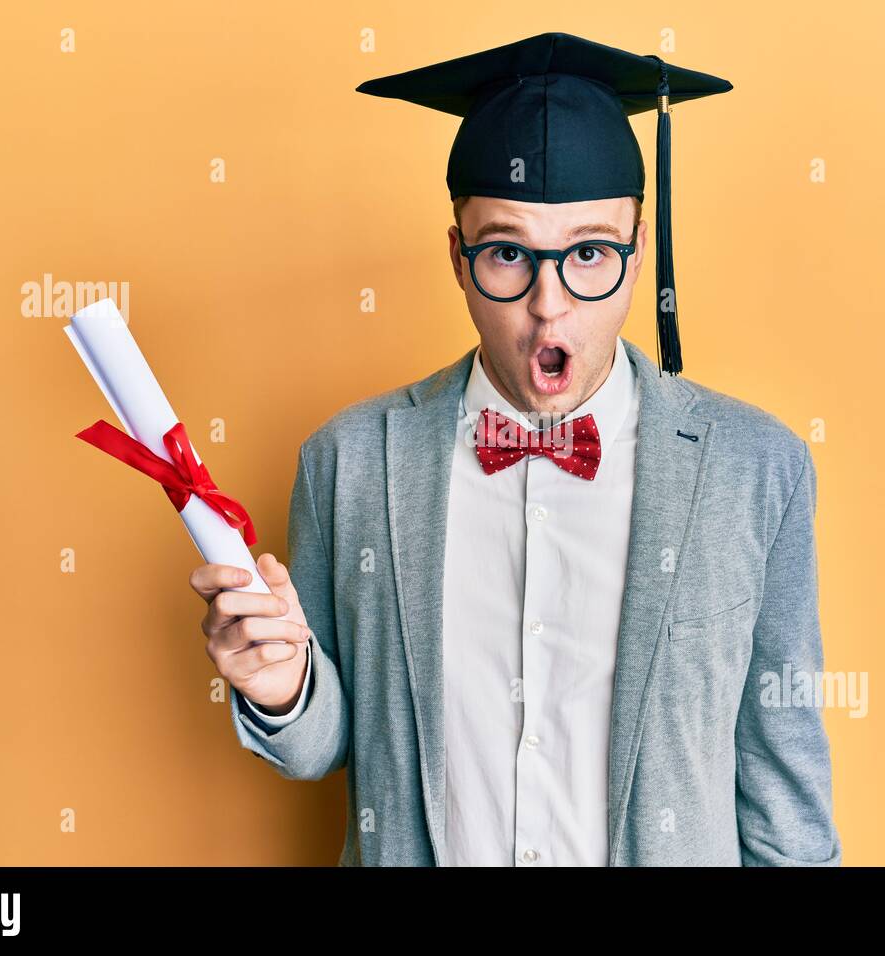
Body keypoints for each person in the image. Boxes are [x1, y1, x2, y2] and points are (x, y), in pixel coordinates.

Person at [189, 32, 842, 866]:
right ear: (457, 260)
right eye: (507, 253)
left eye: (590, 253)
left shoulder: (758, 469)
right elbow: (322, 745)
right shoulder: (347, 461)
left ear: (638, 257)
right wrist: (281, 686)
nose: (550, 305)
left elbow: (784, 795)